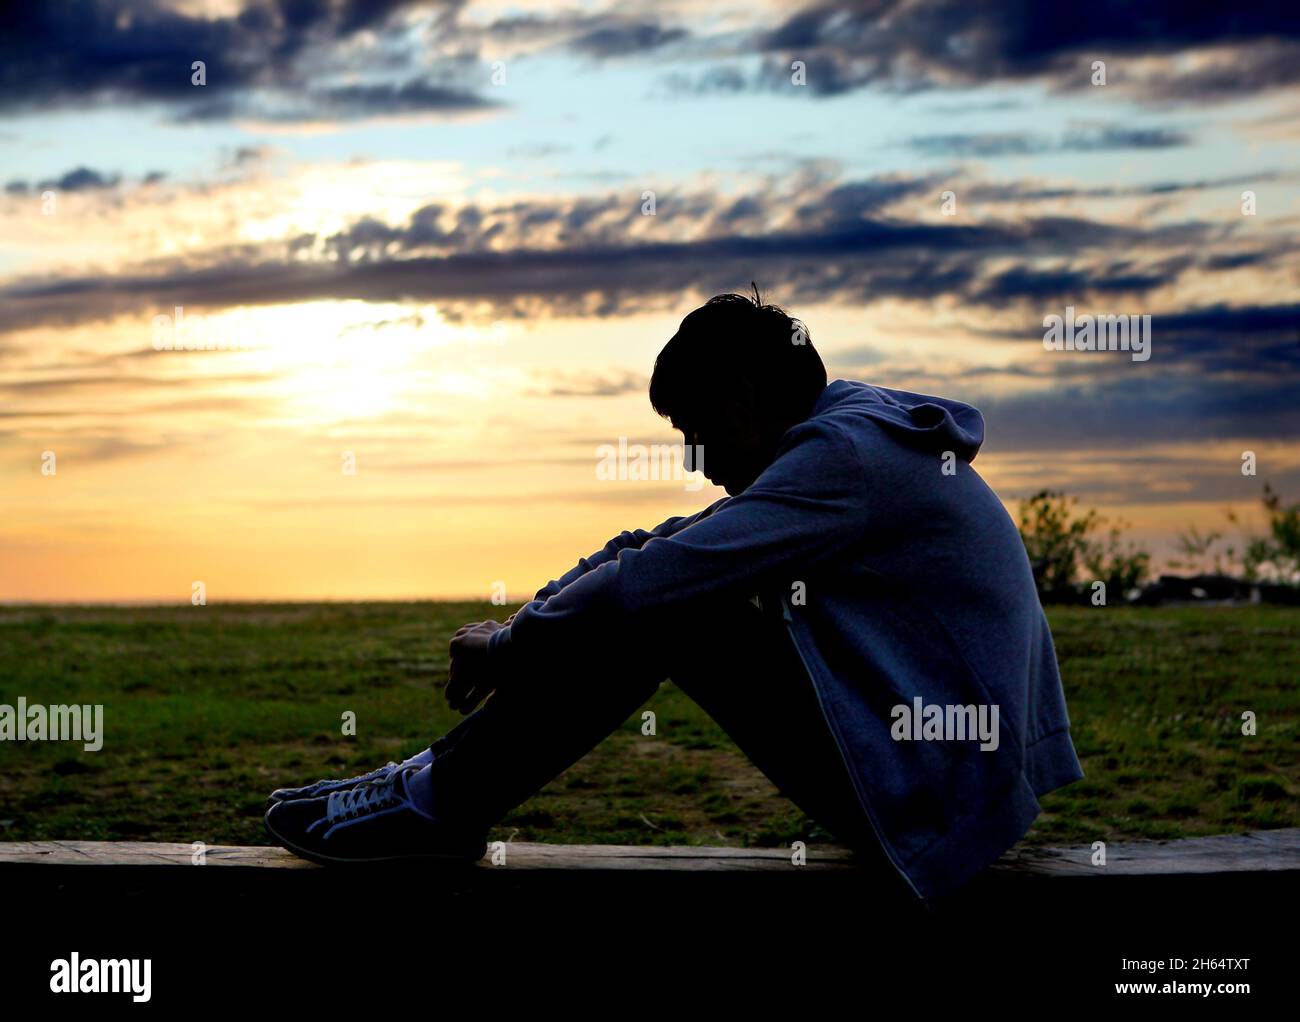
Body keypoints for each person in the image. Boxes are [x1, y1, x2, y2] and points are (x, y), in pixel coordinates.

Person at [264, 285, 1084, 903]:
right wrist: (522, 627)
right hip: (947, 774)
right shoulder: (844, 438)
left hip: (943, 797)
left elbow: (653, 585)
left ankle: (434, 808)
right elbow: (656, 546)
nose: (697, 461)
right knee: (669, 584)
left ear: (742, 400)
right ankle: (426, 787)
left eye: (700, 434)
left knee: (673, 609)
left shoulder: (846, 460)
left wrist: (513, 647)